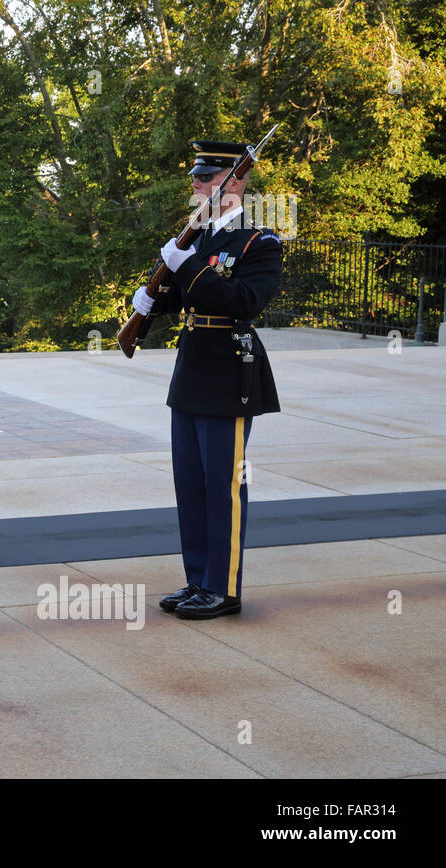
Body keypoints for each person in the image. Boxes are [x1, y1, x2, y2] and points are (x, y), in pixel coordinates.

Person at [132, 139, 282, 619]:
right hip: (192, 370)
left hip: (229, 373)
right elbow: (185, 297)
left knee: (223, 486)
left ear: (234, 182)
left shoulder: (259, 243)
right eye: (195, 176)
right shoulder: (194, 240)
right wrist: (149, 301)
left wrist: (188, 267)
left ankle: (223, 588)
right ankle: (197, 580)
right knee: (190, 483)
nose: (195, 184)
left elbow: (242, 302)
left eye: (206, 177)